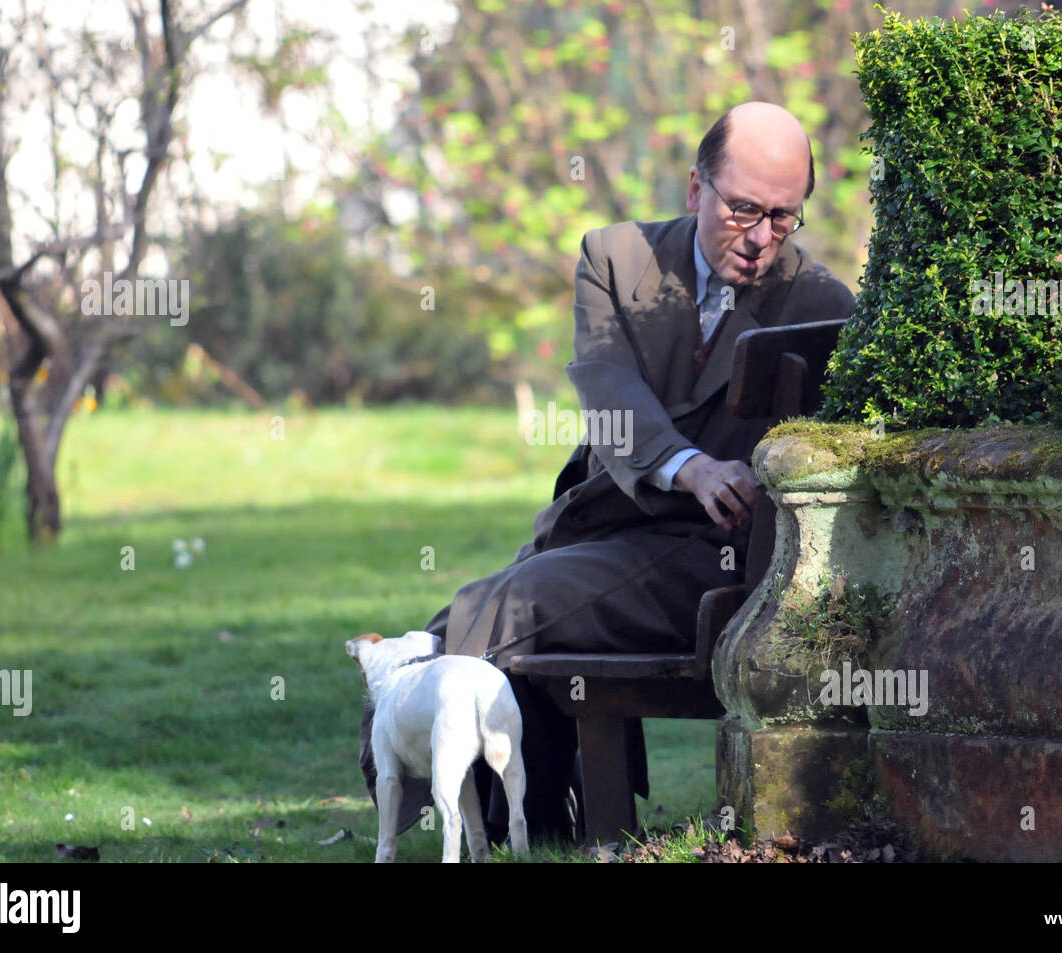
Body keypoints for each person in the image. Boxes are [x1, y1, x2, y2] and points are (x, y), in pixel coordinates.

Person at [360, 101, 857, 845]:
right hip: (601, 523)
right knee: (471, 610)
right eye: (743, 209)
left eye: (784, 217)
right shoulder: (616, 258)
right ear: (696, 189)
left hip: (708, 555)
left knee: (506, 606)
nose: (760, 239)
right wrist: (687, 466)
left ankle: (419, 801)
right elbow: (607, 387)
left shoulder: (821, 304)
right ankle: (500, 806)